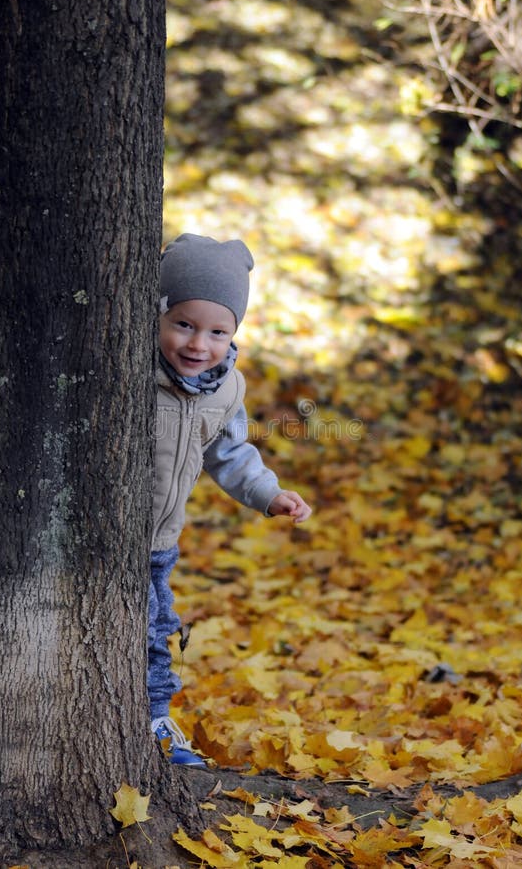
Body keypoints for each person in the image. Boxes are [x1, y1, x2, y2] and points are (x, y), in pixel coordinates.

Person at [149, 233, 312, 766]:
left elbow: (230, 452)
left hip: (158, 542)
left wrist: (269, 493)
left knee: (155, 632)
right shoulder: (132, 373)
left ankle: (153, 721)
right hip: (101, 535)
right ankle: (140, 719)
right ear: (157, 314)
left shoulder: (225, 388)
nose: (199, 344)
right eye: (184, 325)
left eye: (218, 331)